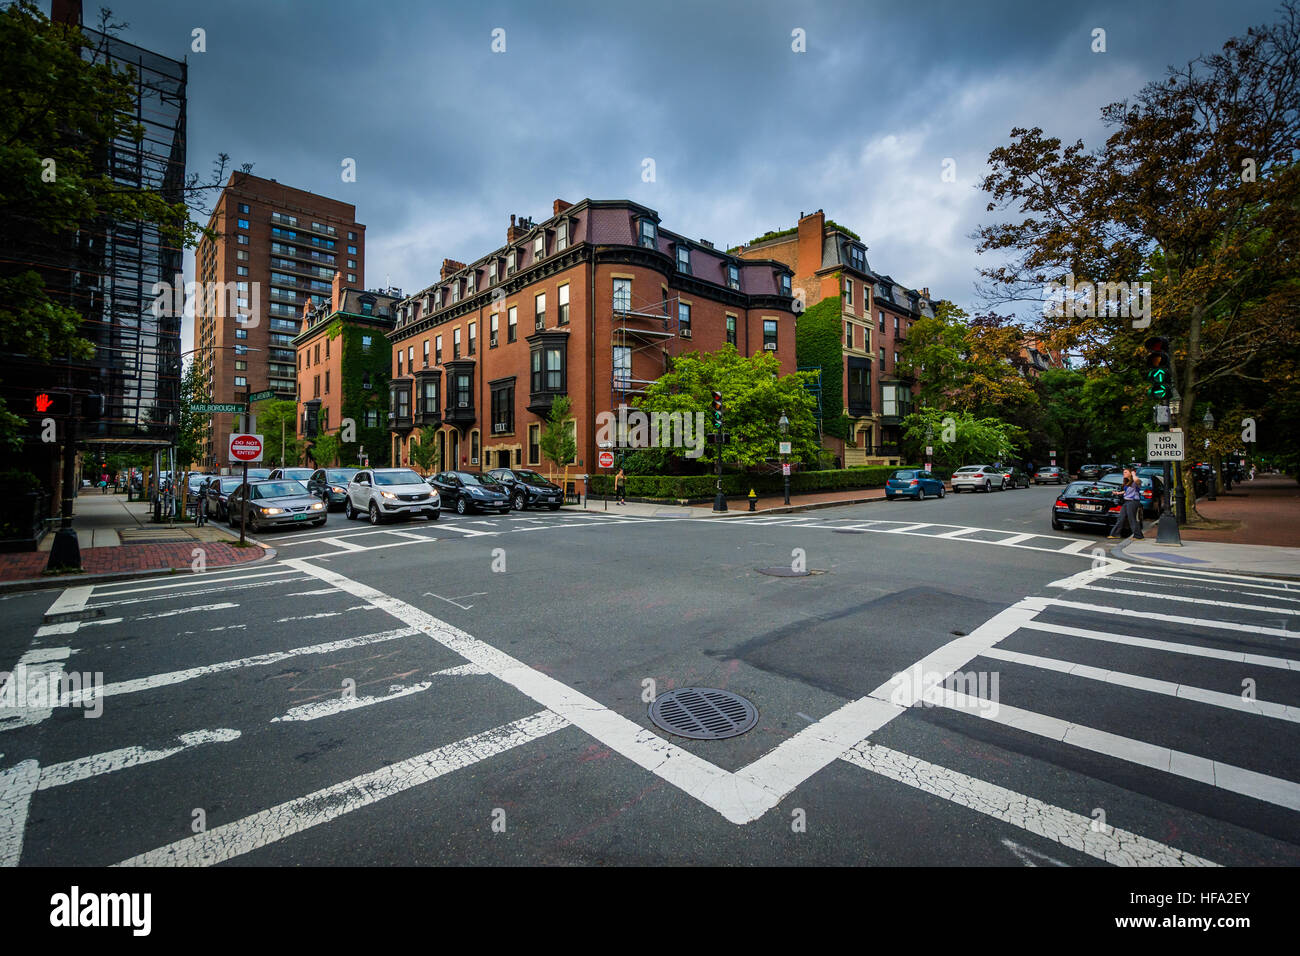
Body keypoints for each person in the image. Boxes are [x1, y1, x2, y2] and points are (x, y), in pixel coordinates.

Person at [1108, 467, 1145, 540]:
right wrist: (1118, 493)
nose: (1123, 473)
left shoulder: (1135, 482)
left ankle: (1138, 536)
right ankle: (1115, 534)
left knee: (1132, 519)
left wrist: (1134, 474)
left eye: (1126, 472)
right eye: (1123, 472)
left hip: (1133, 501)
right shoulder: (1127, 482)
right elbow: (1127, 491)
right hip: (1127, 501)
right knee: (1121, 518)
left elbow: (1138, 481)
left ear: (1130, 473)